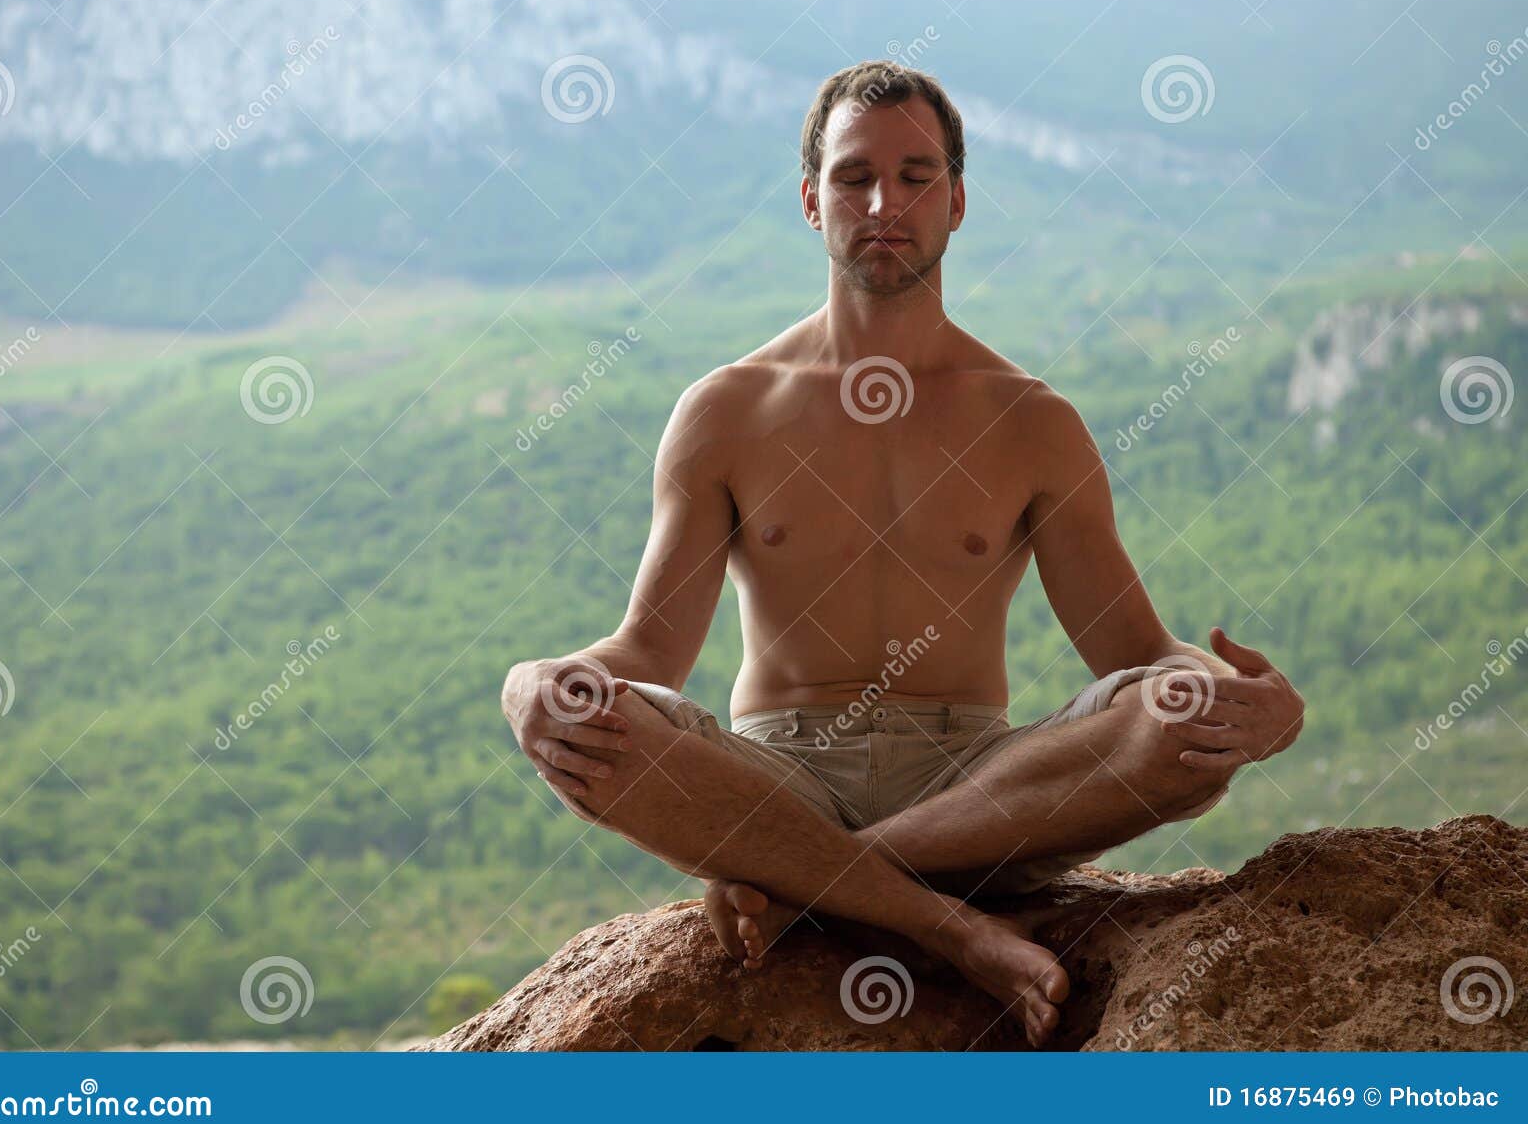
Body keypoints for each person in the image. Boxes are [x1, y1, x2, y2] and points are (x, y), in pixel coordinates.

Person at [501, 60, 1305, 1048]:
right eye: (852, 177)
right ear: (810, 199)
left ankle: (809, 882)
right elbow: (648, 657)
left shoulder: (1030, 420)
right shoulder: (727, 410)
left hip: (983, 787)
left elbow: (1134, 654)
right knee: (588, 729)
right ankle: (942, 919)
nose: (885, 203)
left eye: (916, 175)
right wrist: (534, 683)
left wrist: (1252, 701)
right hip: (778, 772)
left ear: (957, 201)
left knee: (1181, 722)